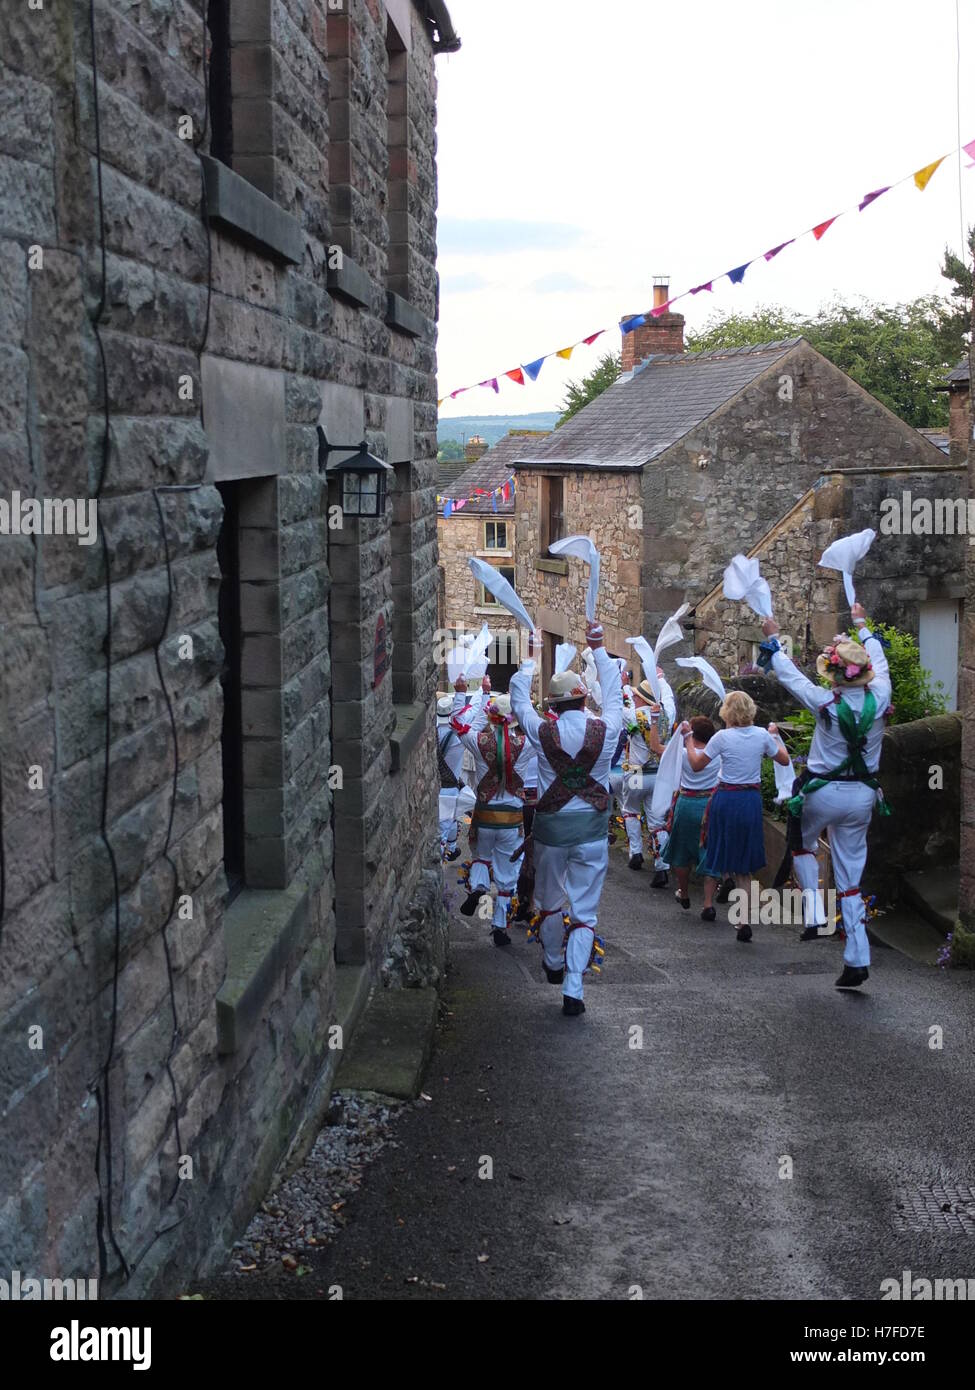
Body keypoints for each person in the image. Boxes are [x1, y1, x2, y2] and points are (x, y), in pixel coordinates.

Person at [761, 603, 891, 989]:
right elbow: (881, 660)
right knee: (851, 878)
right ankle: (857, 957)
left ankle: (814, 913)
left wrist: (772, 635)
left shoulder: (825, 703)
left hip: (822, 791)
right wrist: (863, 627)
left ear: (834, 675)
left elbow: (789, 676)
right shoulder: (881, 695)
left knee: (801, 842)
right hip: (863, 797)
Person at [510, 621, 623, 1016]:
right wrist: (599, 650)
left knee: (552, 902)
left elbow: (518, 702)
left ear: (553, 707)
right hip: (592, 830)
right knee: (585, 910)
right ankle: (574, 986)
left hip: (551, 832)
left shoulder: (541, 731)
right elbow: (615, 698)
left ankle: (554, 963)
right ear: (582, 699)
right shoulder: (608, 729)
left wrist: (528, 661)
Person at [681, 691, 790, 941]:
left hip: (726, 798)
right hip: (750, 799)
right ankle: (744, 921)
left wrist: (688, 739)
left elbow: (697, 764)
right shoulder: (761, 735)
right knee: (744, 865)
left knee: (720, 852)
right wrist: (775, 735)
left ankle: (713, 899)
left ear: (727, 712)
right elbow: (783, 760)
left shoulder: (722, 737)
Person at [450, 684, 534, 948]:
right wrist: (526, 706)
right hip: (512, 819)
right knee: (508, 873)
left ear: (491, 717)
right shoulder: (526, 743)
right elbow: (548, 731)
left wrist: (465, 693)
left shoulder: (479, 741)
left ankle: (478, 887)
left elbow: (457, 722)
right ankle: (499, 926)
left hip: (484, 814)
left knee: (481, 857)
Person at [649, 715, 720, 910]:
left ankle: (684, 893)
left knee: (681, 852)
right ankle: (707, 903)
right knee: (709, 850)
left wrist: (654, 721)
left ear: (691, 734)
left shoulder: (681, 753)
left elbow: (656, 747)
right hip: (710, 805)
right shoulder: (718, 755)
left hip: (686, 804)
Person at [619, 673, 673, 883]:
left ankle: (636, 852)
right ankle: (662, 866)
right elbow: (669, 698)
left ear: (641, 698)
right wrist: (662, 680)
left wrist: (623, 687)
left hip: (636, 775)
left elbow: (617, 704)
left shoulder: (632, 715)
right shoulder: (667, 716)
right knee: (657, 821)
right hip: (658, 776)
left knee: (630, 810)